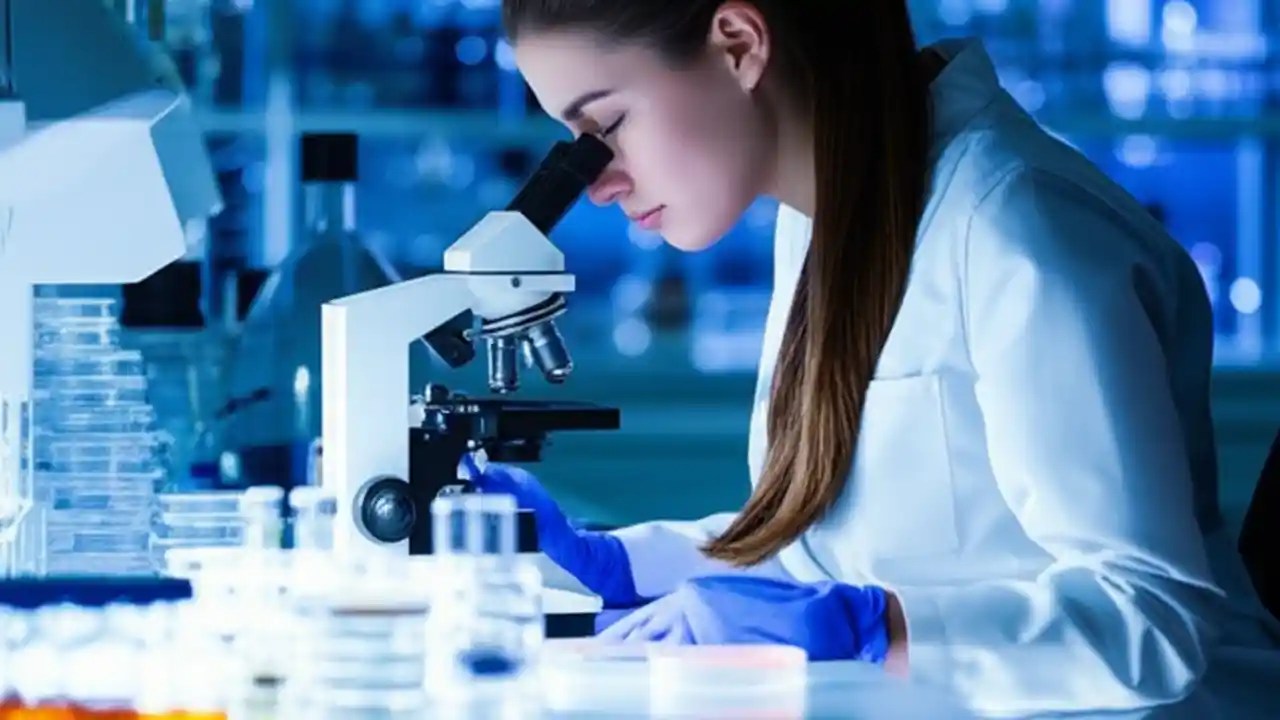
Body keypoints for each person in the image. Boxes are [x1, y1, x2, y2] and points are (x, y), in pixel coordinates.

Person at [467, 0, 1280, 714]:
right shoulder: (819, 216)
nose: (596, 182)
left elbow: (1152, 625)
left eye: (603, 127)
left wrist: (866, 628)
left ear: (739, 43)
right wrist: (615, 561)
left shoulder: (1018, 227)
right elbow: (830, 558)